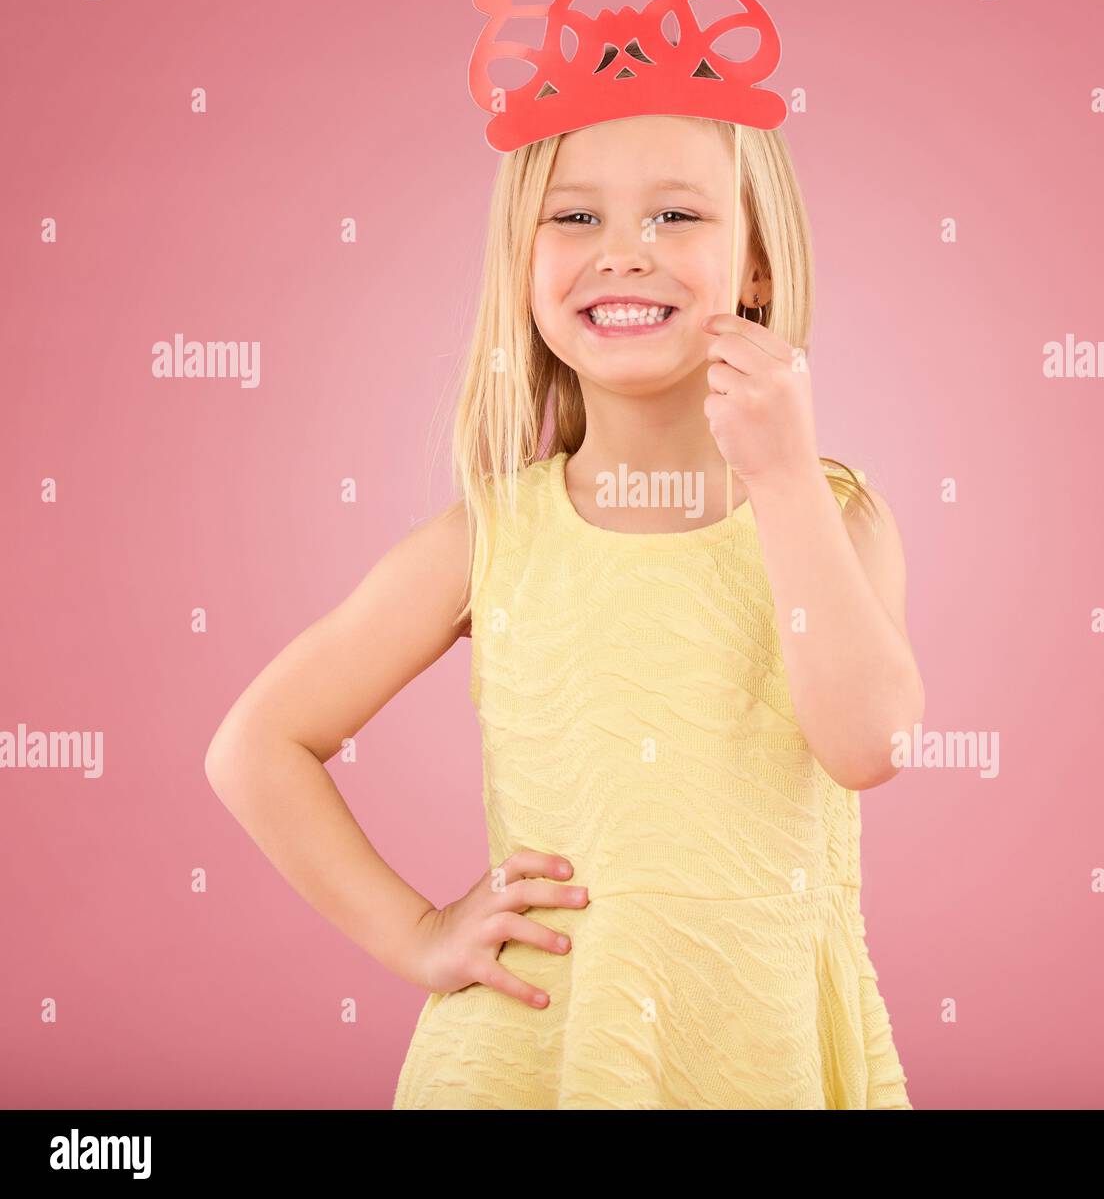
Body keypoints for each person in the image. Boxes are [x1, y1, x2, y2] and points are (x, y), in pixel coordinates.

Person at [205, 111, 924, 1109]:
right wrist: (418, 933)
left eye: (676, 214)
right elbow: (256, 743)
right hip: (539, 1053)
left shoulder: (832, 514)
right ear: (522, 262)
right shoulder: (490, 537)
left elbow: (870, 743)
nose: (624, 252)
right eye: (574, 216)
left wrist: (784, 478)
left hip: (766, 1051)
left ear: (756, 265)